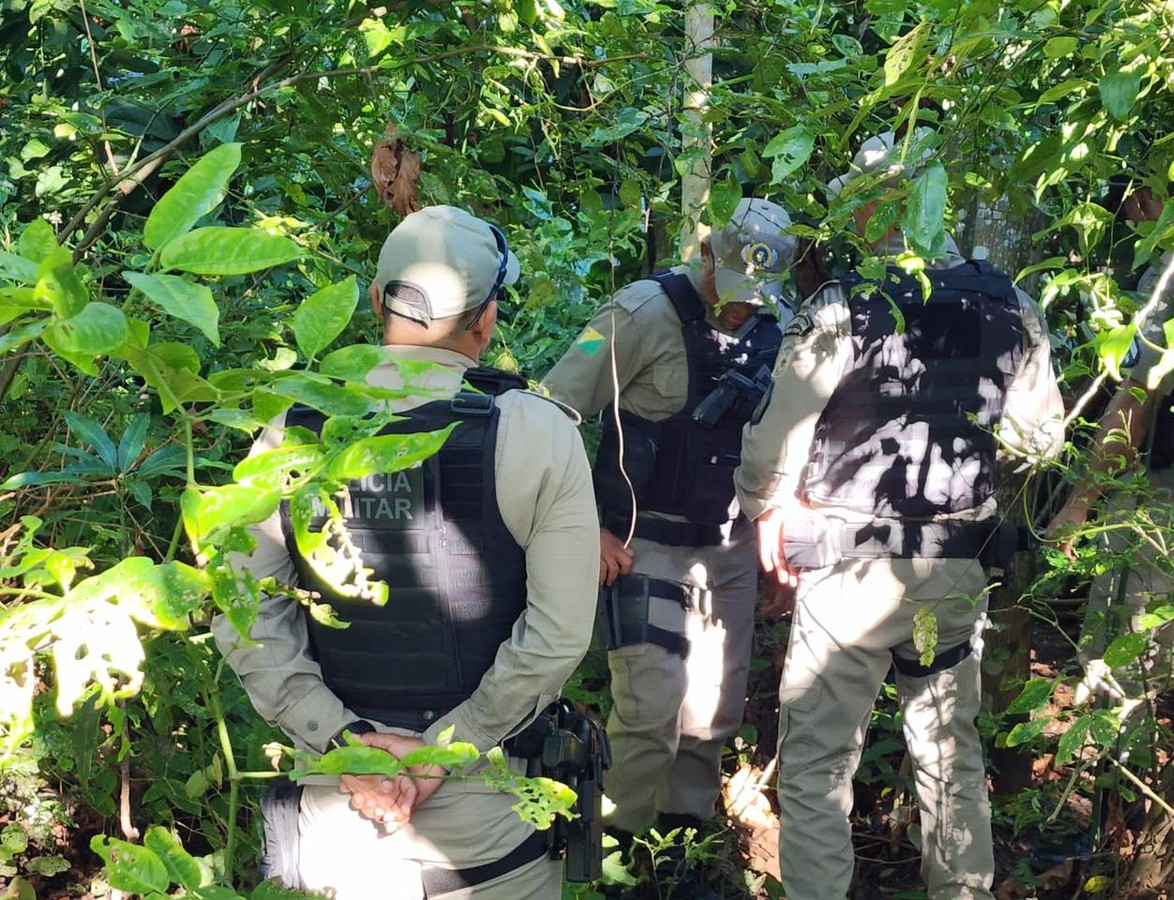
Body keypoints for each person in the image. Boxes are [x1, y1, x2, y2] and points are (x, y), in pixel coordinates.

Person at [213, 204, 601, 899]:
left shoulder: (292, 429)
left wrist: (345, 741)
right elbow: (556, 636)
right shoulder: (537, 433)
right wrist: (444, 751)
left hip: (339, 827)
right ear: (486, 319)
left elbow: (242, 610)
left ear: (373, 300)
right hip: (488, 841)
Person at [735, 132, 1065, 900]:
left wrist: (766, 509)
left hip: (848, 568)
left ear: (875, 205)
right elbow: (1040, 440)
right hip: (953, 567)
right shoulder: (1011, 305)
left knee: (817, 764)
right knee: (950, 752)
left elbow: (776, 438)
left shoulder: (842, 307)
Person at [542, 199, 796, 875]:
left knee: (710, 718)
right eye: (737, 291)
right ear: (709, 253)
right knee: (650, 713)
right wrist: (586, 526)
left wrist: (778, 544)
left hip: (730, 550)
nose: (744, 309)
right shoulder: (633, 315)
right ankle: (618, 863)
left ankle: (681, 860)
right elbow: (552, 411)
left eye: (758, 298)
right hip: (642, 544)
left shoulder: (780, 329)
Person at [1047, 181, 1174, 712]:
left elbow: (1138, 396)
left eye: (1141, 198)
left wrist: (1080, 502)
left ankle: (1125, 776)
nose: (1133, 213)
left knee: (1129, 670)